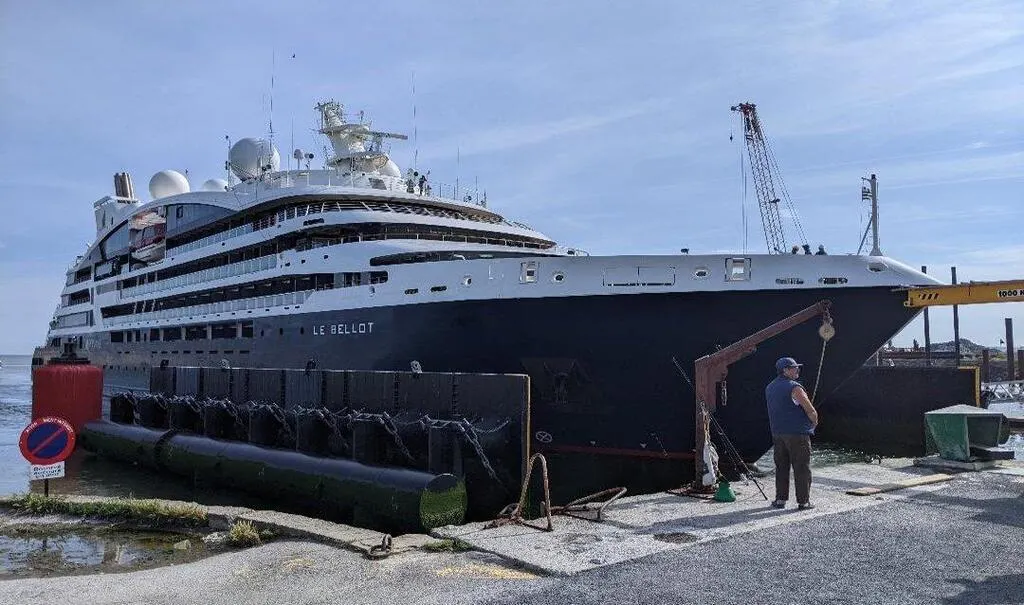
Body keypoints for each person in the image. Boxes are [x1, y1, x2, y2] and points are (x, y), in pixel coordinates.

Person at [765, 357, 819, 510]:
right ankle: (803, 501)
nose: (797, 370)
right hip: (797, 434)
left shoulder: (770, 387)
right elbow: (810, 410)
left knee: (781, 467)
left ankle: (780, 499)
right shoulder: (795, 388)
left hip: (778, 433)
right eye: (794, 367)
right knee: (801, 467)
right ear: (785, 370)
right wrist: (814, 422)